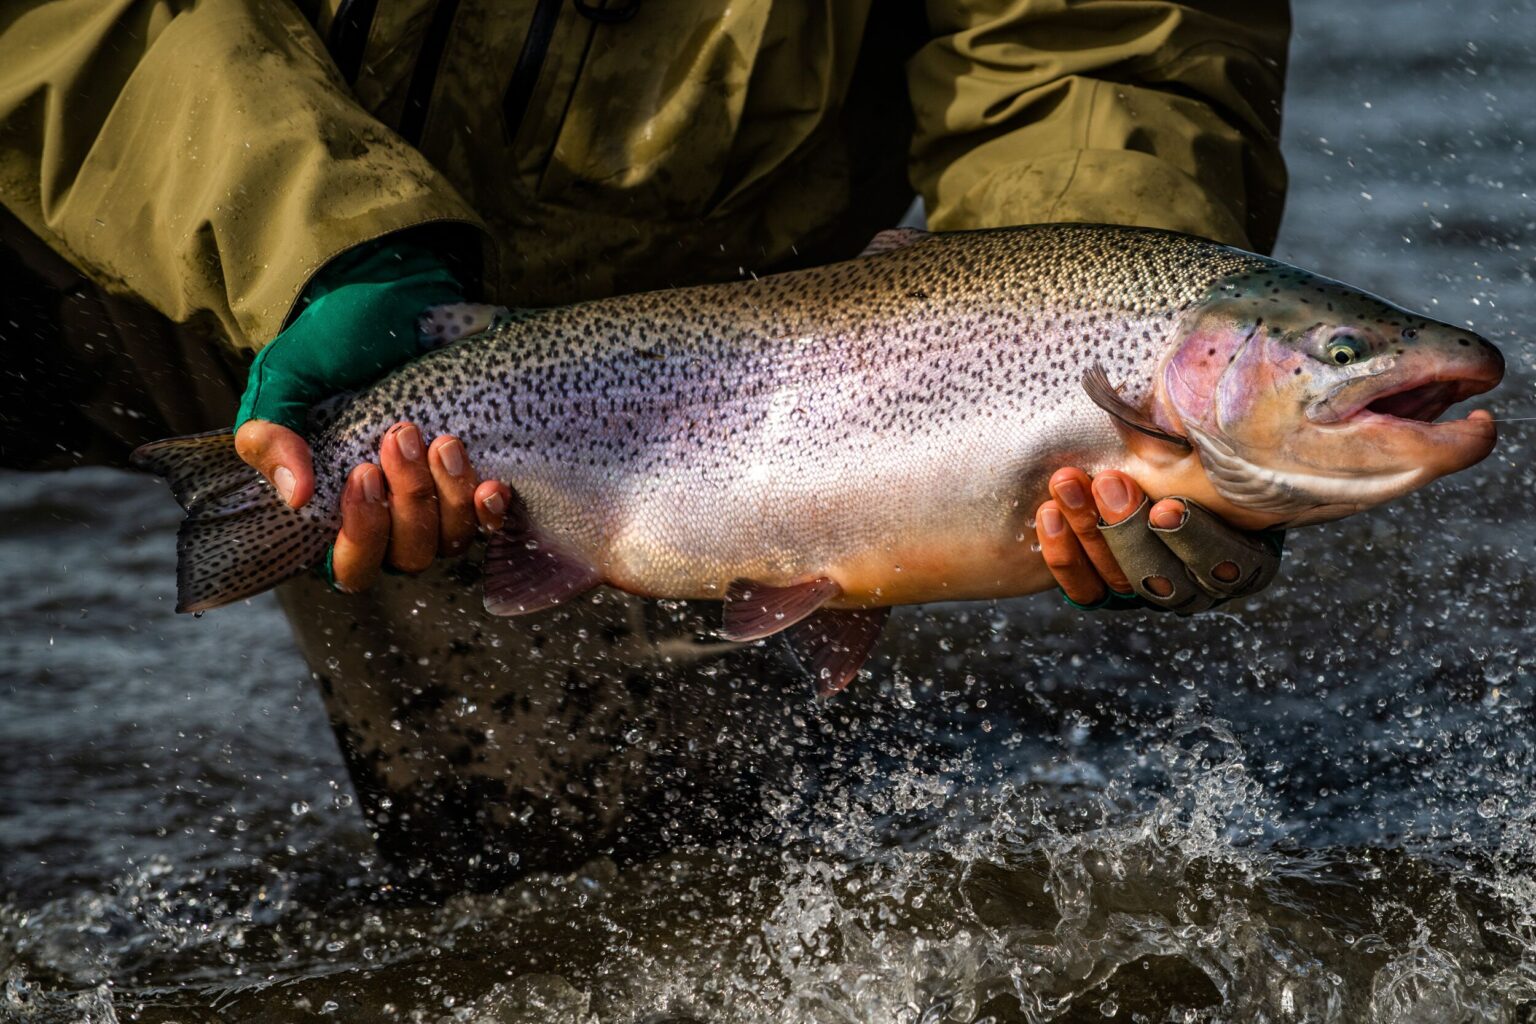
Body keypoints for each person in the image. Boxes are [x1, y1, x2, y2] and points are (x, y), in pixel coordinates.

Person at [0, 0, 1289, 891]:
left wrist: (1119, 302)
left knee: (639, 912)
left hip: (657, 399)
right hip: (94, 197)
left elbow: (1105, 40)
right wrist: (330, 242)